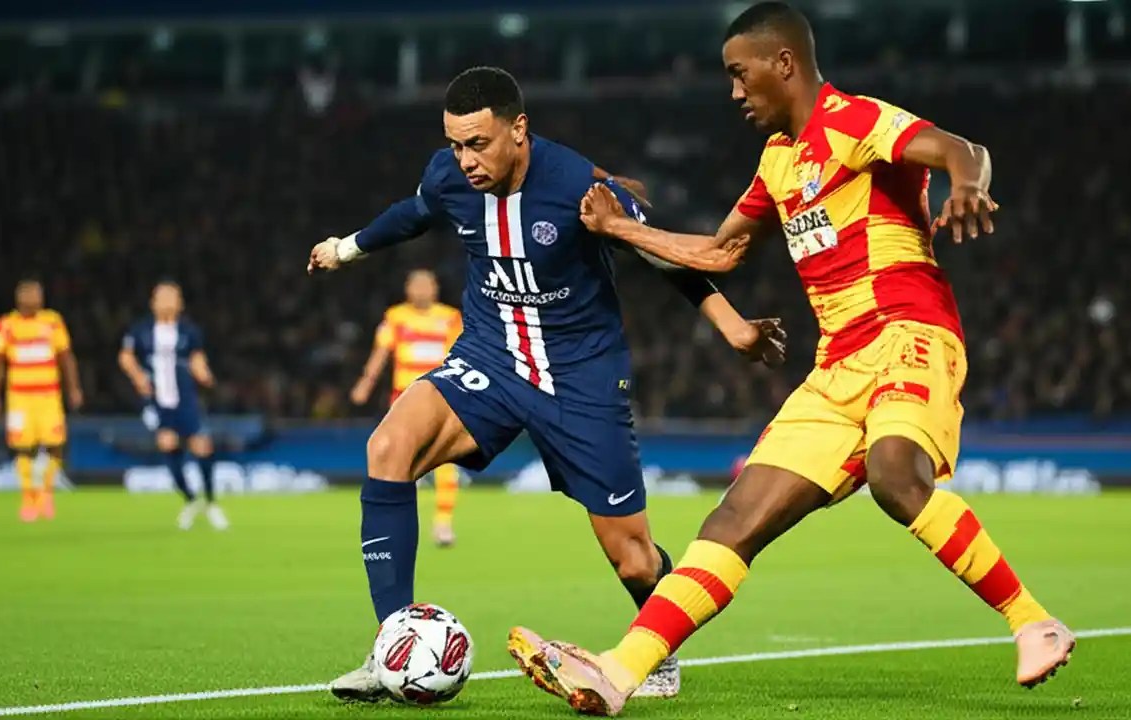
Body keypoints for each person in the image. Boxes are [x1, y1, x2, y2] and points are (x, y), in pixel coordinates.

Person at [506, 4, 1074, 715]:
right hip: (836, 368)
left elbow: (961, 147)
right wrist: (617, 227)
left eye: (740, 76)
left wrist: (966, 184)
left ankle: (1033, 622)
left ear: (784, 64)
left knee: (898, 477)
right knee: (732, 521)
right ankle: (617, 674)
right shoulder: (777, 161)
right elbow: (720, 252)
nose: (734, 93)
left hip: (908, 332)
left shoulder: (856, 120)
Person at [308, 65, 786, 703]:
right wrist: (347, 249)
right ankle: (394, 643)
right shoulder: (449, 176)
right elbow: (414, 213)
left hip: (581, 376)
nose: (464, 160)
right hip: (491, 358)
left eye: (478, 144)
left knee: (633, 557)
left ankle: (657, 647)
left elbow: (658, 256)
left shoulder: (579, 187)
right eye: (455, 144)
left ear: (519, 129)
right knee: (388, 448)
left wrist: (732, 328)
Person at [350, 269, 465, 547]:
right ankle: (393, 523)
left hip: (441, 394)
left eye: (427, 284)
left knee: (446, 459)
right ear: (408, 288)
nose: (422, 290)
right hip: (404, 397)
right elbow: (381, 353)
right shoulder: (396, 317)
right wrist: (365, 383)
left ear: (435, 288)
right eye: (417, 285)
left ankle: (443, 524)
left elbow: (460, 354)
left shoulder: (449, 318)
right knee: (398, 460)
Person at [118, 281, 227, 531]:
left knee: (201, 446)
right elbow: (125, 357)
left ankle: (211, 502)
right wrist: (138, 377)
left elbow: (198, 361)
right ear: (152, 302)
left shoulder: (189, 332)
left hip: (186, 399)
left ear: (180, 303)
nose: (167, 301)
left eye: (172, 296)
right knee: (167, 443)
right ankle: (191, 500)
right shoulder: (142, 330)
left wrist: (205, 375)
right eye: (162, 296)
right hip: (158, 400)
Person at [0, 278, 83, 522]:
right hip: (20, 398)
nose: (34, 298)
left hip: (48, 396)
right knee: (23, 447)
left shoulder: (52, 322)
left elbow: (66, 358)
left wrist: (73, 388)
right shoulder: (6, 326)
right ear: (19, 298)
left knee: (55, 444)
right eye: (29, 294)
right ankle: (29, 495)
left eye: (37, 294)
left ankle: (46, 492)